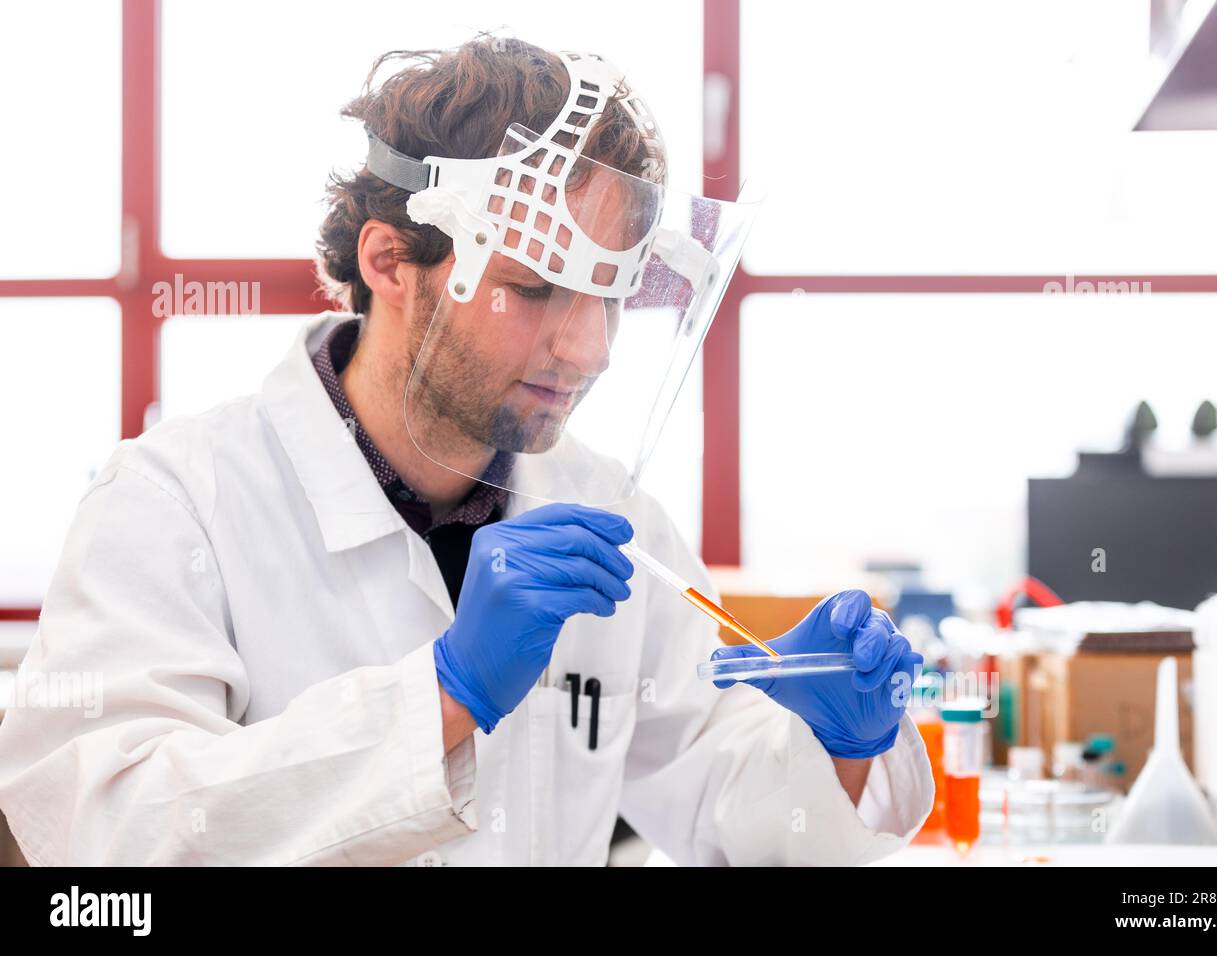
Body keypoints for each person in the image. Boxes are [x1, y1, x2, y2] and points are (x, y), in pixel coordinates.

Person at [0, 37, 931, 866]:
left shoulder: (610, 511)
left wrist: (837, 748)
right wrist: (445, 697)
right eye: (532, 291)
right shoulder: (176, 502)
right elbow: (100, 835)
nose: (590, 350)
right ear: (390, 262)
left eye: (608, 297)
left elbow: (723, 799)